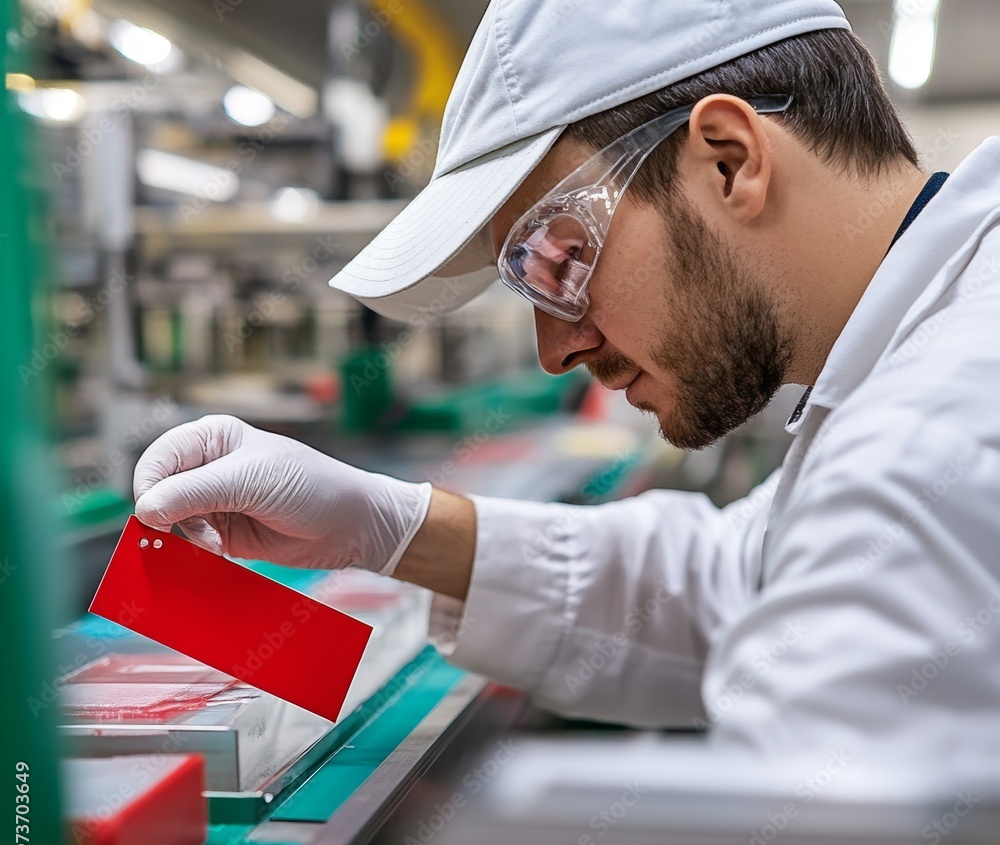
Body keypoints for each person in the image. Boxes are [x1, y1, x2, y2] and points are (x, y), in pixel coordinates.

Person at [133, 0, 1000, 769]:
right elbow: (740, 584)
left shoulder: (924, 454)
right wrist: (390, 527)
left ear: (730, 160)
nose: (556, 350)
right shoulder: (928, 355)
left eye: (559, 259)